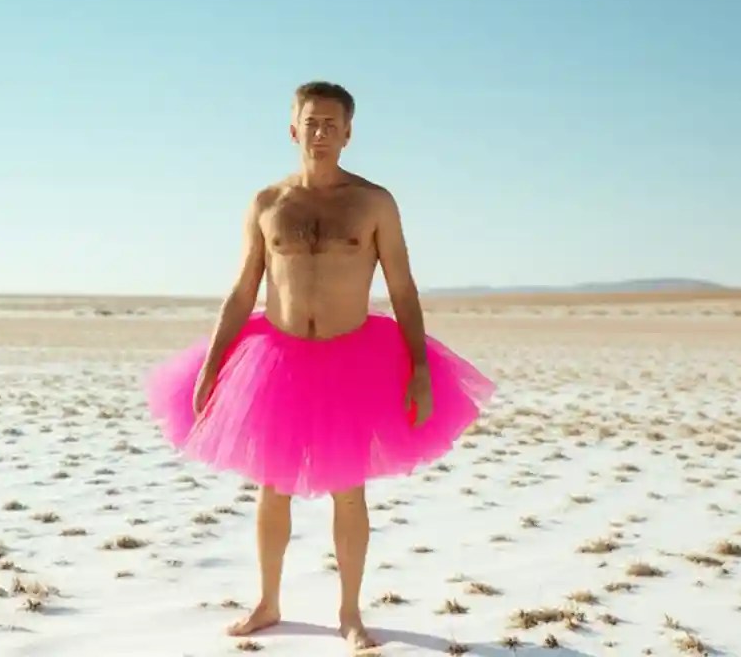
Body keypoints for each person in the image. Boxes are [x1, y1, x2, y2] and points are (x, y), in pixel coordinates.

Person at [144, 81, 495, 654]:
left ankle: (350, 614)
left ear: (349, 133)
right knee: (272, 486)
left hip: (351, 355)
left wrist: (420, 366)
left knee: (349, 490)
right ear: (293, 129)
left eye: (332, 124)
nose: (321, 132)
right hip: (275, 358)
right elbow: (242, 289)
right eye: (311, 122)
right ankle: (268, 602)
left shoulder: (373, 202)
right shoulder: (266, 203)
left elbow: (402, 286)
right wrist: (212, 365)